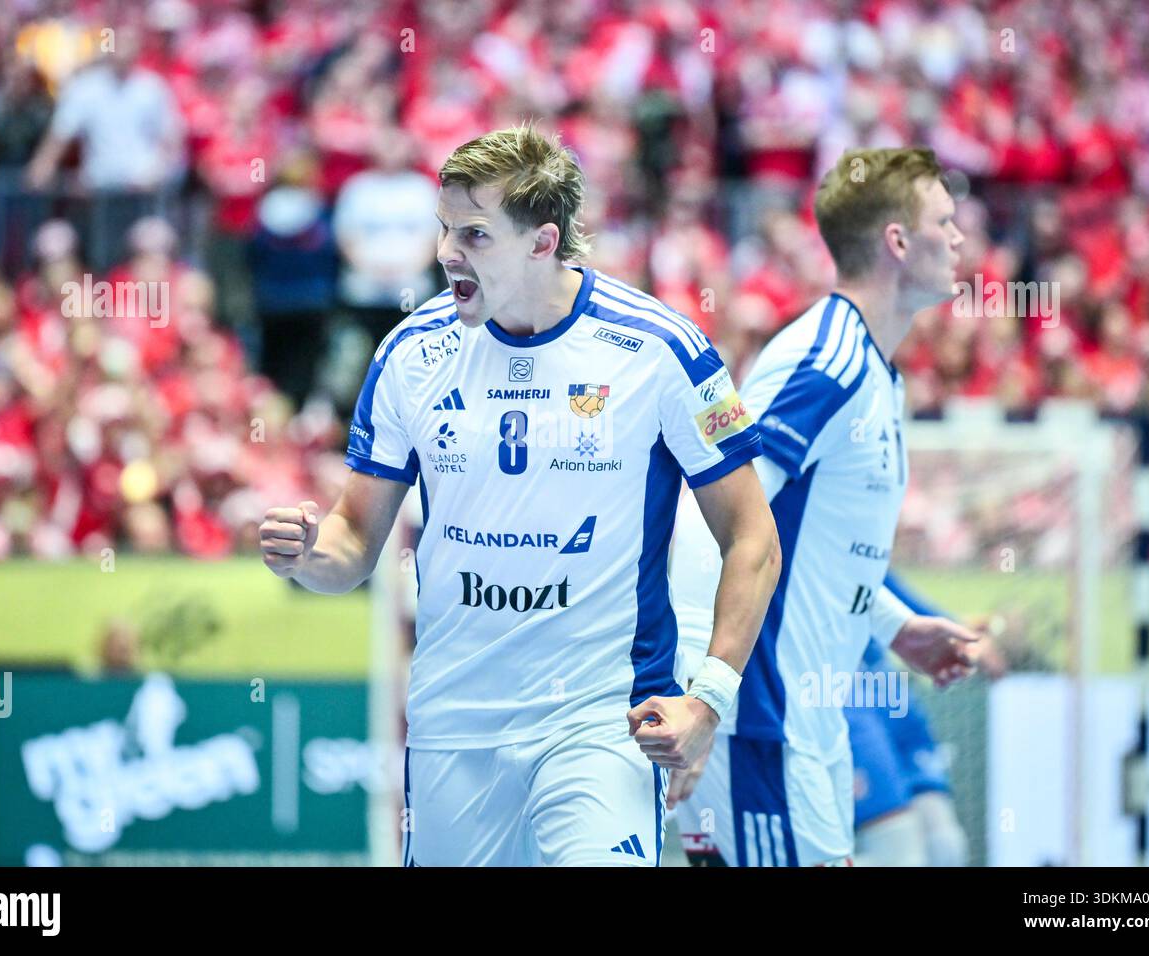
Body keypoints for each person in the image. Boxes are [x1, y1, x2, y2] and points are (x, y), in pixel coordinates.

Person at [259, 126, 780, 867]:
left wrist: (710, 698)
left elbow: (753, 540)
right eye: (444, 229)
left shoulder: (661, 350)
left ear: (542, 242)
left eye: (474, 234)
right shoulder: (410, 354)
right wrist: (308, 555)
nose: (445, 252)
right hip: (453, 723)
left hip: (600, 719)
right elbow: (351, 545)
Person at [671, 147, 982, 867]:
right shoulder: (827, 361)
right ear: (898, 242)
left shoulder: (877, 373)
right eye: (945, 220)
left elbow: (818, 557)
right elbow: (707, 519)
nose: (961, 237)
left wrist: (898, 628)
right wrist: (703, 696)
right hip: (760, 724)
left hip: (805, 724)